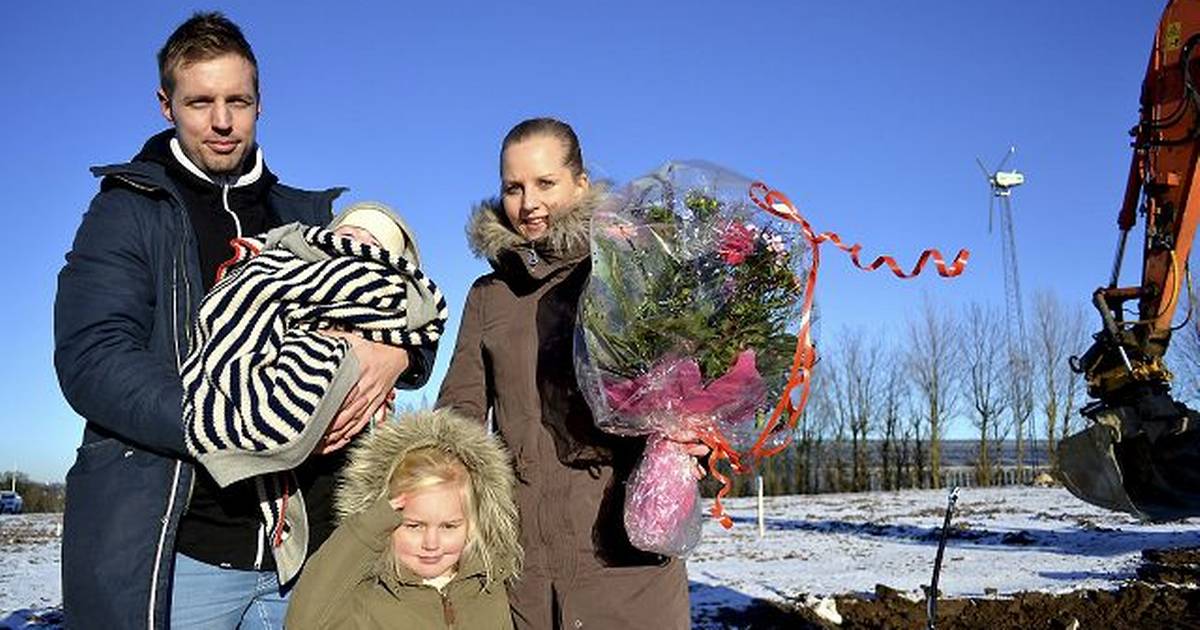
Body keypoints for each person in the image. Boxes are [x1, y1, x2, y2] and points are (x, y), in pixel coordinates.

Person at [53, 13, 431, 629]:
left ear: (260, 103)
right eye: (201, 102)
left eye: (239, 101)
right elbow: (92, 359)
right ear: (165, 104)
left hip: (309, 556)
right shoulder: (126, 211)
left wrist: (394, 356)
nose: (223, 121)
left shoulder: (308, 214)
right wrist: (231, 421)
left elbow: (393, 300)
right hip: (185, 549)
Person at [437, 117, 702, 629]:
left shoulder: (628, 269)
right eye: (513, 187)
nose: (528, 202)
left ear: (580, 184)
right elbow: (460, 412)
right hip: (524, 564)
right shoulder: (489, 296)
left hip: (625, 556)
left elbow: (690, 384)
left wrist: (696, 437)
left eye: (545, 183)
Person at [180, 199, 447, 586]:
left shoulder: (382, 294)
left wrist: (396, 353)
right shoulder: (282, 255)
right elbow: (244, 302)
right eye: (348, 233)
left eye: (371, 241)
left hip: (314, 537)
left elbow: (413, 317)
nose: (354, 240)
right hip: (209, 538)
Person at [285, 408, 522, 629]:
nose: (431, 543)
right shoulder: (367, 596)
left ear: (473, 525)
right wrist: (364, 529)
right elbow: (304, 623)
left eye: (449, 526)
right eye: (414, 526)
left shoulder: (487, 585)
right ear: (386, 523)